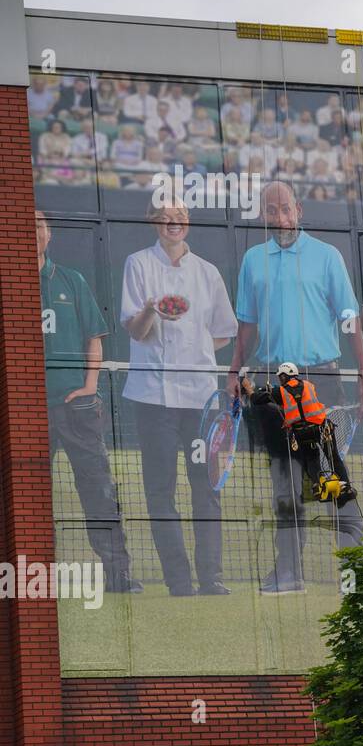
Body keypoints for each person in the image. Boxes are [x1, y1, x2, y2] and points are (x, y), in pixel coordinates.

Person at [225, 180, 363, 594]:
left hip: (321, 379)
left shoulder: (328, 256)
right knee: (283, 480)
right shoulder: (254, 260)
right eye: (271, 211)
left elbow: (351, 323)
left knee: (329, 472)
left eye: (285, 208)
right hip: (272, 384)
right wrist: (233, 373)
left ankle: (355, 570)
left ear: (299, 210)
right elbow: (246, 329)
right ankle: (289, 572)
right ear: (264, 216)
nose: (280, 216)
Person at [120, 199, 238, 596]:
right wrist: (153, 308)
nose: (174, 221)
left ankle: (211, 577)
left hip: (201, 397)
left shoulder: (207, 272)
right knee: (160, 491)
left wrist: (199, 352)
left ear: (187, 222)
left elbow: (224, 331)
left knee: (206, 488)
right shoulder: (137, 264)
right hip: (152, 397)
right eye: (166, 215)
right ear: (154, 221)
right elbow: (135, 331)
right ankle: (178, 582)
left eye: (181, 215)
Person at [36, 210, 141, 594]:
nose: (34, 232)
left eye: (40, 225)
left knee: (98, 489)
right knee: (27, 495)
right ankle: (33, 578)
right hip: (27, 412)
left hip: (74, 406)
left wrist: (90, 385)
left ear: (50, 234)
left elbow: (94, 338)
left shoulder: (71, 280)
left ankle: (118, 573)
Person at [241, 361, 356, 508]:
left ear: (284, 376)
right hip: (321, 428)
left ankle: (319, 485)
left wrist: (248, 388)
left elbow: (257, 399)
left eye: (280, 376)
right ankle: (346, 487)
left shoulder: (280, 392)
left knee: (311, 459)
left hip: (302, 432)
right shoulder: (309, 385)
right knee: (333, 457)